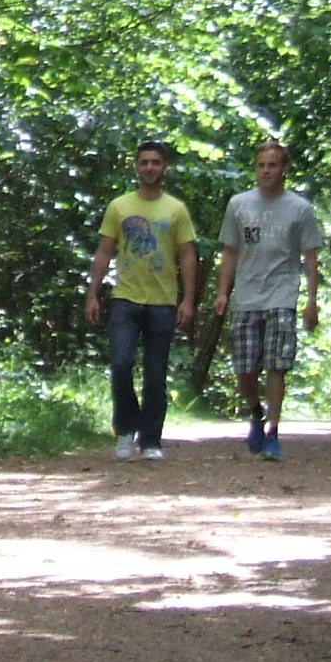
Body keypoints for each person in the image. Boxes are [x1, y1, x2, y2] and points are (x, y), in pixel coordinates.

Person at [83, 138, 198, 460]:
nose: (149, 167)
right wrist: (93, 293)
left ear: (164, 168)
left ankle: (151, 440)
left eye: (155, 162)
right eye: (144, 162)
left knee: (155, 374)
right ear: (136, 167)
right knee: (120, 364)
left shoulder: (176, 210)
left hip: (162, 301)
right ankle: (124, 429)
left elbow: (188, 256)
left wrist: (188, 300)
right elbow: (105, 250)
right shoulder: (119, 206)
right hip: (125, 299)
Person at [212, 137, 323, 461]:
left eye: (273, 165)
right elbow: (230, 252)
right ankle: (255, 412)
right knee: (246, 367)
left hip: (282, 293)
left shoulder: (300, 209)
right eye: (261, 165)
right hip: (247, 294)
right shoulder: (238, 205)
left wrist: (311, 301)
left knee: (277, 364)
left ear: (284, 169)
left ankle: (273, 431)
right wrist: (222, 292)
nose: (266, 171)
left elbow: (310, 257)